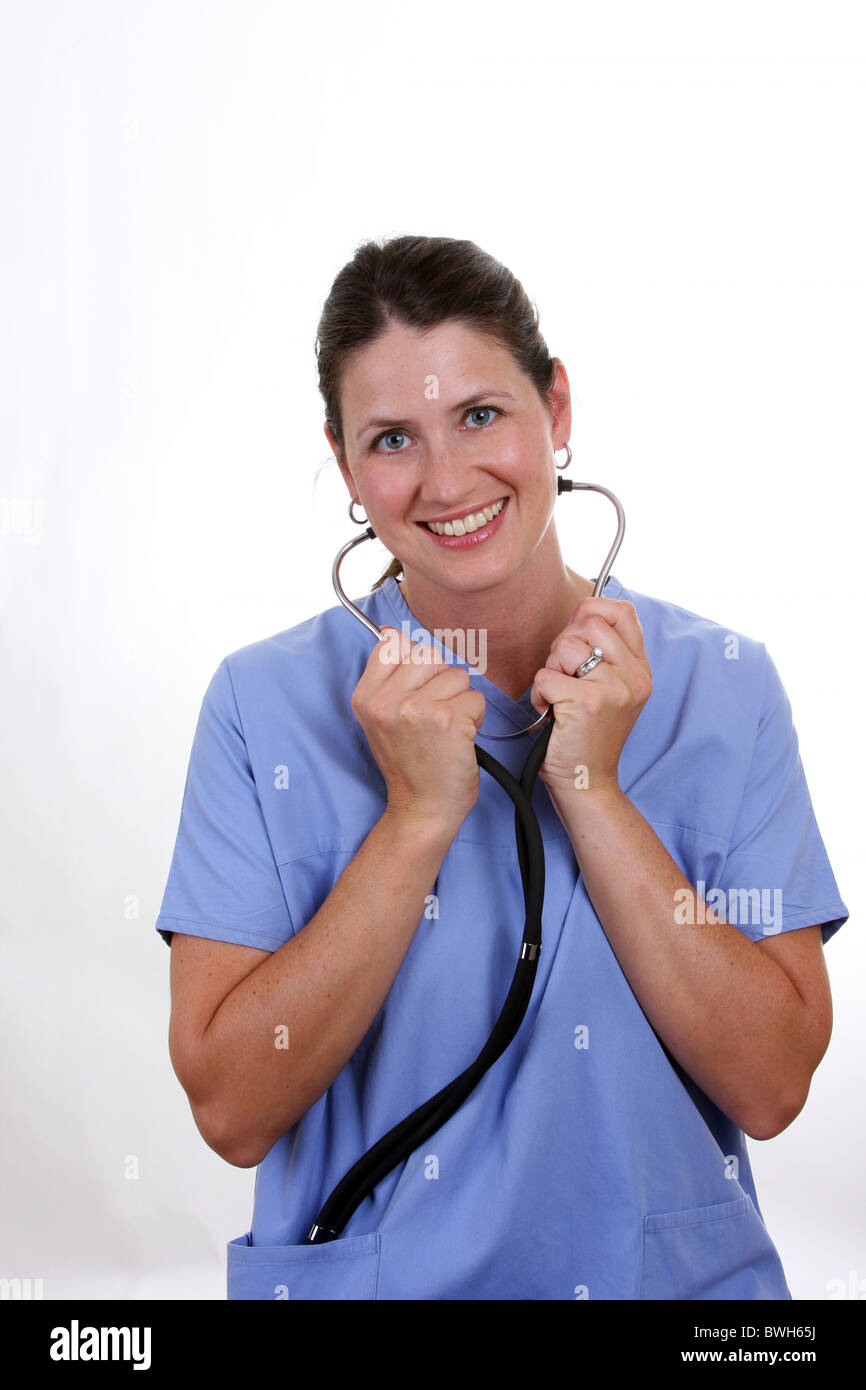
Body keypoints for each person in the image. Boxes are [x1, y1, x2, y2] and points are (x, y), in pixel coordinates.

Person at [155, 234, 849, 1301]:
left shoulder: (724, 685)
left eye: (479, 414)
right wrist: (415, 820)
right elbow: (232, 1111)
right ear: (345, 467)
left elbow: (768, 1086)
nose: (446, 479)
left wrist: (593, 793)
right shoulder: (262, 705)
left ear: (556, 409)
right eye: (392, 438)